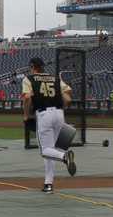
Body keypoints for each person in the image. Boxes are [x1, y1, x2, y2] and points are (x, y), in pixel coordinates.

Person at [21, 57, 76, 194]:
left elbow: (27, 98)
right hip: (59, 114)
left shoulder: (29, 79)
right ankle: (48, 183)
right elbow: (68, 94)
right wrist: (62, 107)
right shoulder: (54, 78)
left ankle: (64, 157)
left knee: (45, 150)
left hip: (44, 114)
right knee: (51, 150)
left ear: (32, 67)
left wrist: (26, 115)